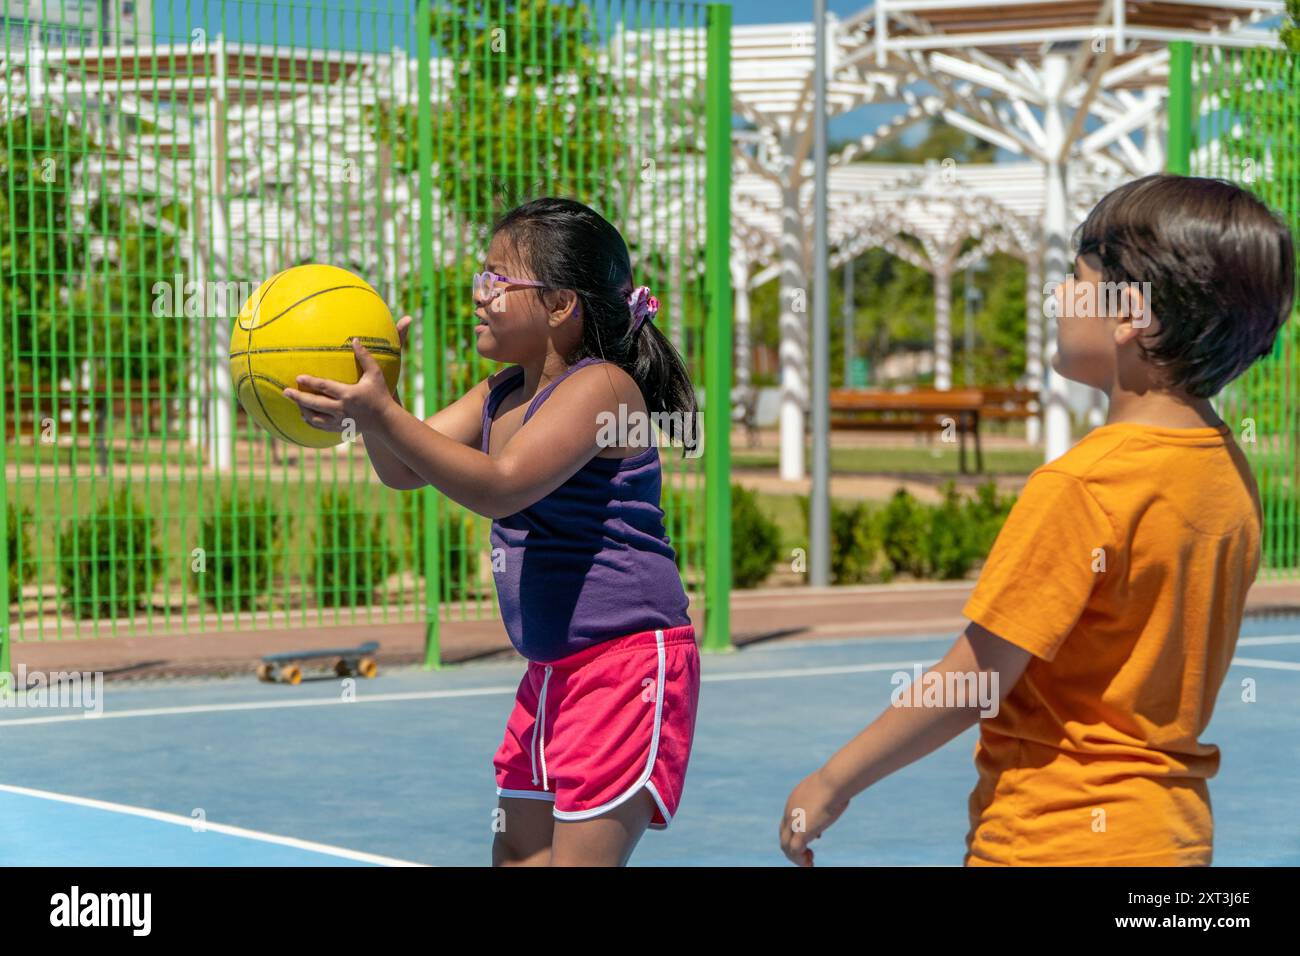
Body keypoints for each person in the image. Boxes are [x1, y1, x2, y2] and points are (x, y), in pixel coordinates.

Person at [778, 174, 1296, 866]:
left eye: (1072, 278)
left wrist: (833, 781)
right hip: (1171, 838)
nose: (1056, 297)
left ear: (1129, 313)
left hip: (1053, 839)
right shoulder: (1227, 474)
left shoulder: (1083, 485)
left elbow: (975, 680)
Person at [284, 197, 701, 866]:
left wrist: (384, 414)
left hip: (624, 668)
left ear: (561, 305)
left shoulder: (605, 390)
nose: (480, 295)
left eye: (497, 280)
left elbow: (502, 484)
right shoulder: (500, 392)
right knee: (515, 855)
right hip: (551, 670)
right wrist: (370, 403)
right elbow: (403, 470)